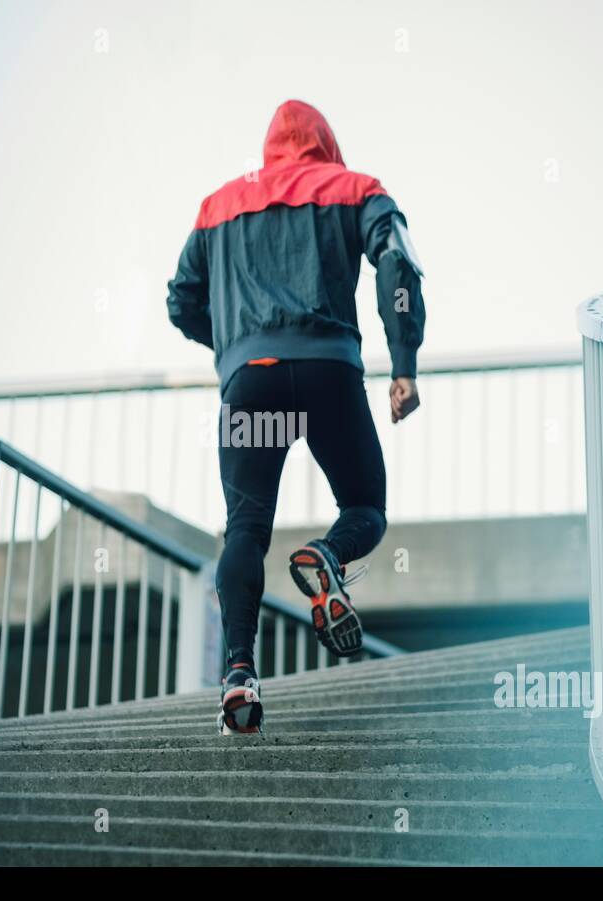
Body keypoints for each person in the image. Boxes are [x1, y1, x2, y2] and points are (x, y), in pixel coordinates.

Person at [166, 99, 426, 735]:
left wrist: (234, 347)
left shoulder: (218, 205)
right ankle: (326, 556)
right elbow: (397, 264)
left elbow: (180, 302)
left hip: (251, 386)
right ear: (326, 144)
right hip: (328, 376)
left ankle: (237, 673)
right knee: (365, 505)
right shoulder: (355, 187)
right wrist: (403, 361)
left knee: (246, 530)